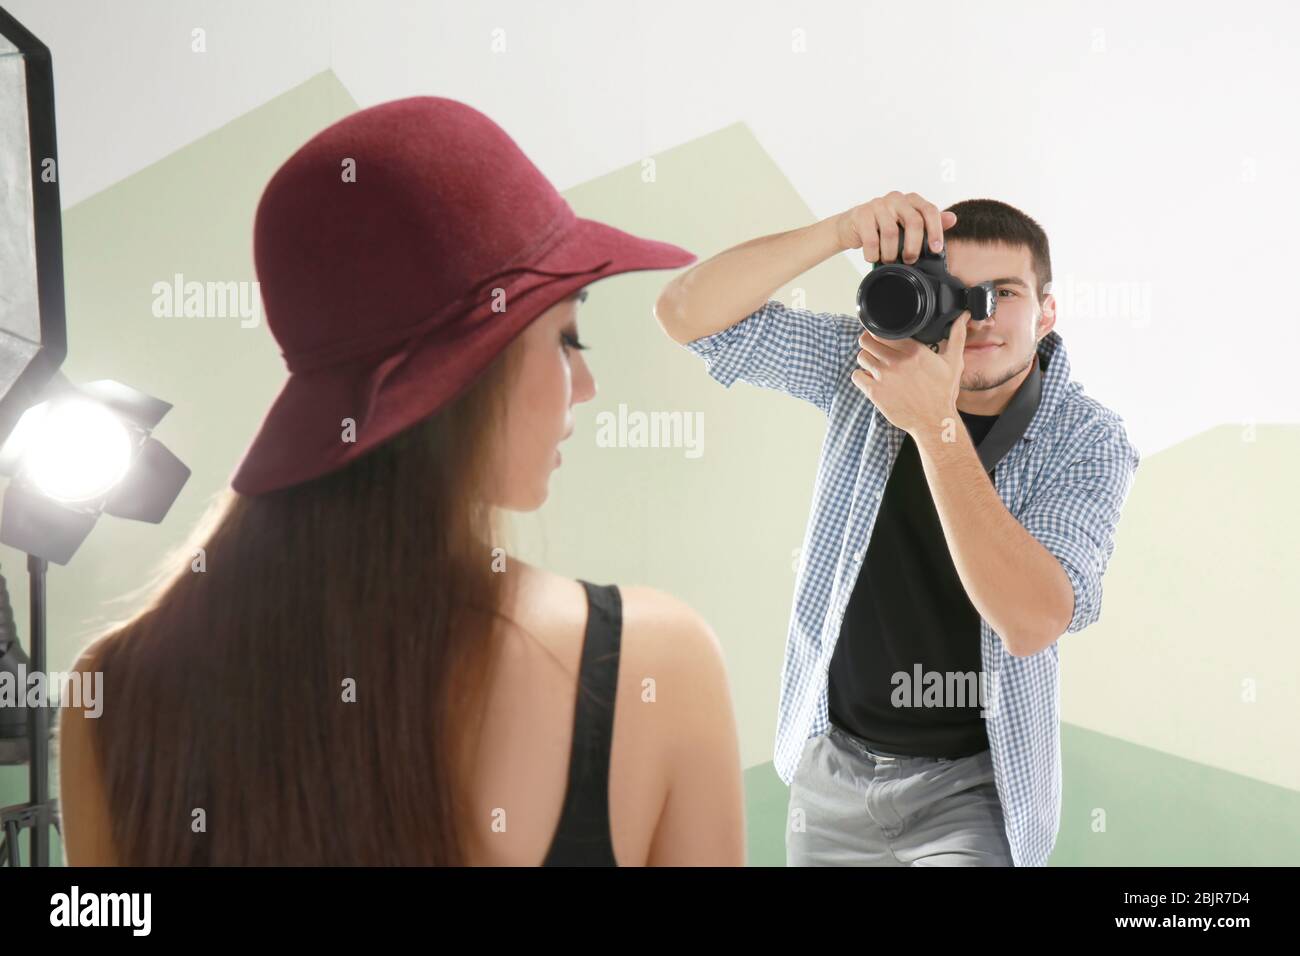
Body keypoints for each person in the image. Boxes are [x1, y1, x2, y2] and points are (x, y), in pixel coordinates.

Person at [57, 96, 745, 866]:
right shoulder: (654, 665)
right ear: (469, 372)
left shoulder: (112, 693)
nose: (585, 384)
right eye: (566, 336)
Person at [656, 190, 1140, 866]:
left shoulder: (1086, 439)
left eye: (1004, 293)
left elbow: (1033, 620)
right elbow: (686, 315)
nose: (981, 317)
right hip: (833, 771)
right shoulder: (872, 363)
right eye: (959, 294)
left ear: (1049, 312)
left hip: (973, 791)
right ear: (925, 294)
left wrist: (936, 427)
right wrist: (839, 230)